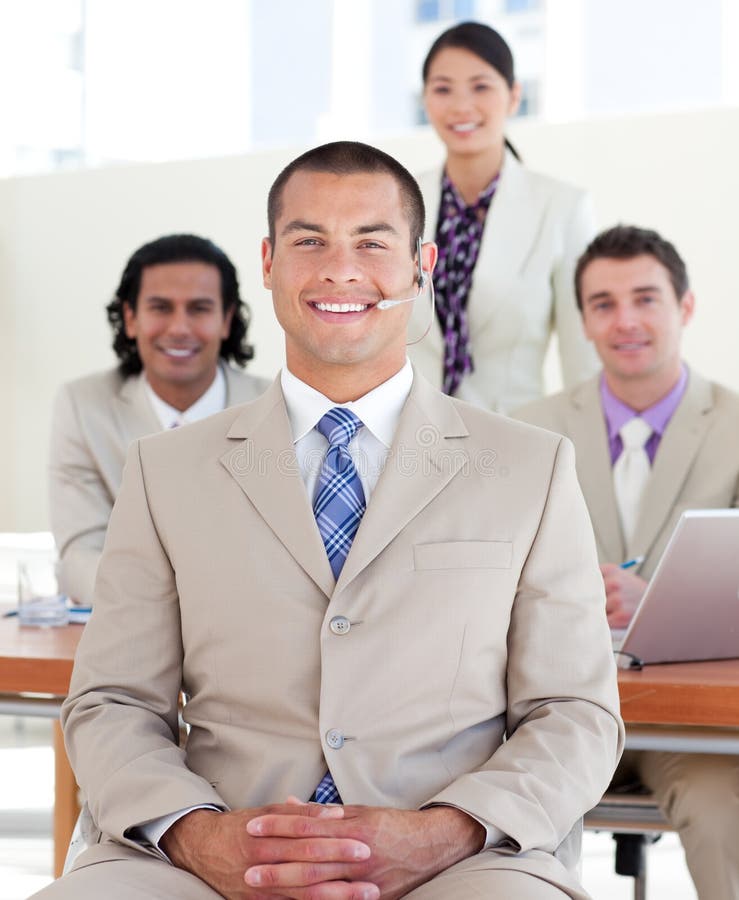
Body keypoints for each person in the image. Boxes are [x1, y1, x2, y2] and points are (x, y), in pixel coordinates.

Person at [34, 142, 622, 900]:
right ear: (270, 262)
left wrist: (443, 832)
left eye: (372, 243)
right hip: (206, 857)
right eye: (309, 241)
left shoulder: (530, 468)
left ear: (421, 264)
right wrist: (198, 832)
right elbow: (112, 701)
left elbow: (574, 711)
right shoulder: (165, 470)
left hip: (459, 862)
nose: (340, 269)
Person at [515, 225, 739, 900]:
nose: (625, 321)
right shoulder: (525, 429)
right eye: (603, 304)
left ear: (685, 307)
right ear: (581, 320)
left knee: (723, 811)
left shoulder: (735, 428)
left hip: (686, 724)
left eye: (644, 298)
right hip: (549, 716)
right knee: (509, 816)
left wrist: (667, 604)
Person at [48, 234, 270, 605]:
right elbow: (79, 556)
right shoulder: (82, 405)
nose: (179, 328)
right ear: (131, 319)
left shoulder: (274, 405)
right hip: (128, 630)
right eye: (160, 308)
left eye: (199, 308)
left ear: (227, 319)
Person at [408, 21, 599, 413]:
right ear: (425, 100)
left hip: (515, 440)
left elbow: (582, 362)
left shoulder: (562, 207)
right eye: (443, 89)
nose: (461, 106)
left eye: (480, 86)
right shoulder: (397, 201)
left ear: (514, 96)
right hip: (408, 440)